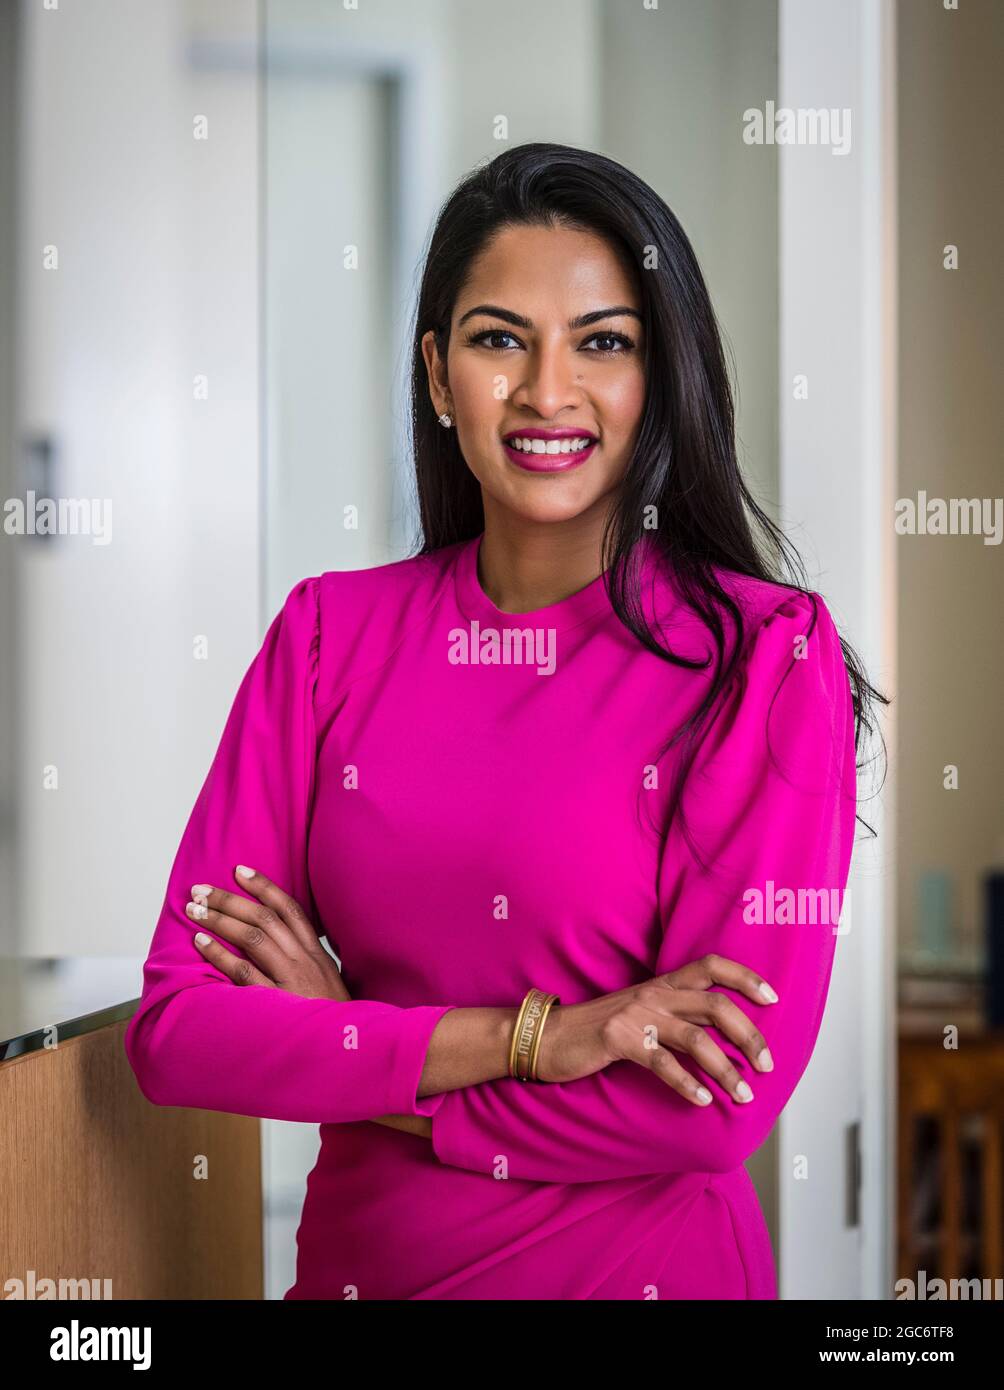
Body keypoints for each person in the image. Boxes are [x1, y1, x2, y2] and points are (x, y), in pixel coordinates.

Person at [123, 142, 883, 1300]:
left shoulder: (762, 658)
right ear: (437, 376)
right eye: (496, 339)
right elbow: (178, 1031)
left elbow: (708, 1109)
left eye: (601, 342)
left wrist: (363, 1052)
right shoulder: (328, 637)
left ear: (657, 375)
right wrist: (536, 1037)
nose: (545, 391)